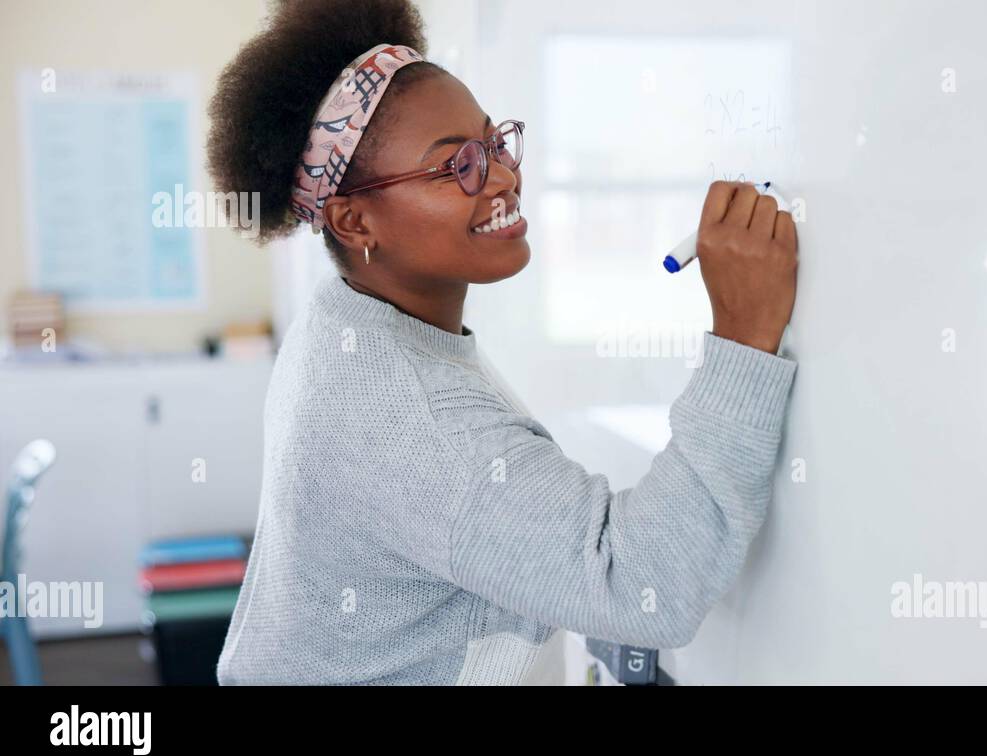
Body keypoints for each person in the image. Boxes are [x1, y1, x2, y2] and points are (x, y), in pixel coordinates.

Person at [208, 0, 799, 684]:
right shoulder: (406, 414)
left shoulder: (346, 320)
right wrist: (744, 335)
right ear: (353, 219)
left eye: (493, 143)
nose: (502, 176)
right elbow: (641, 584)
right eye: (455, 166)